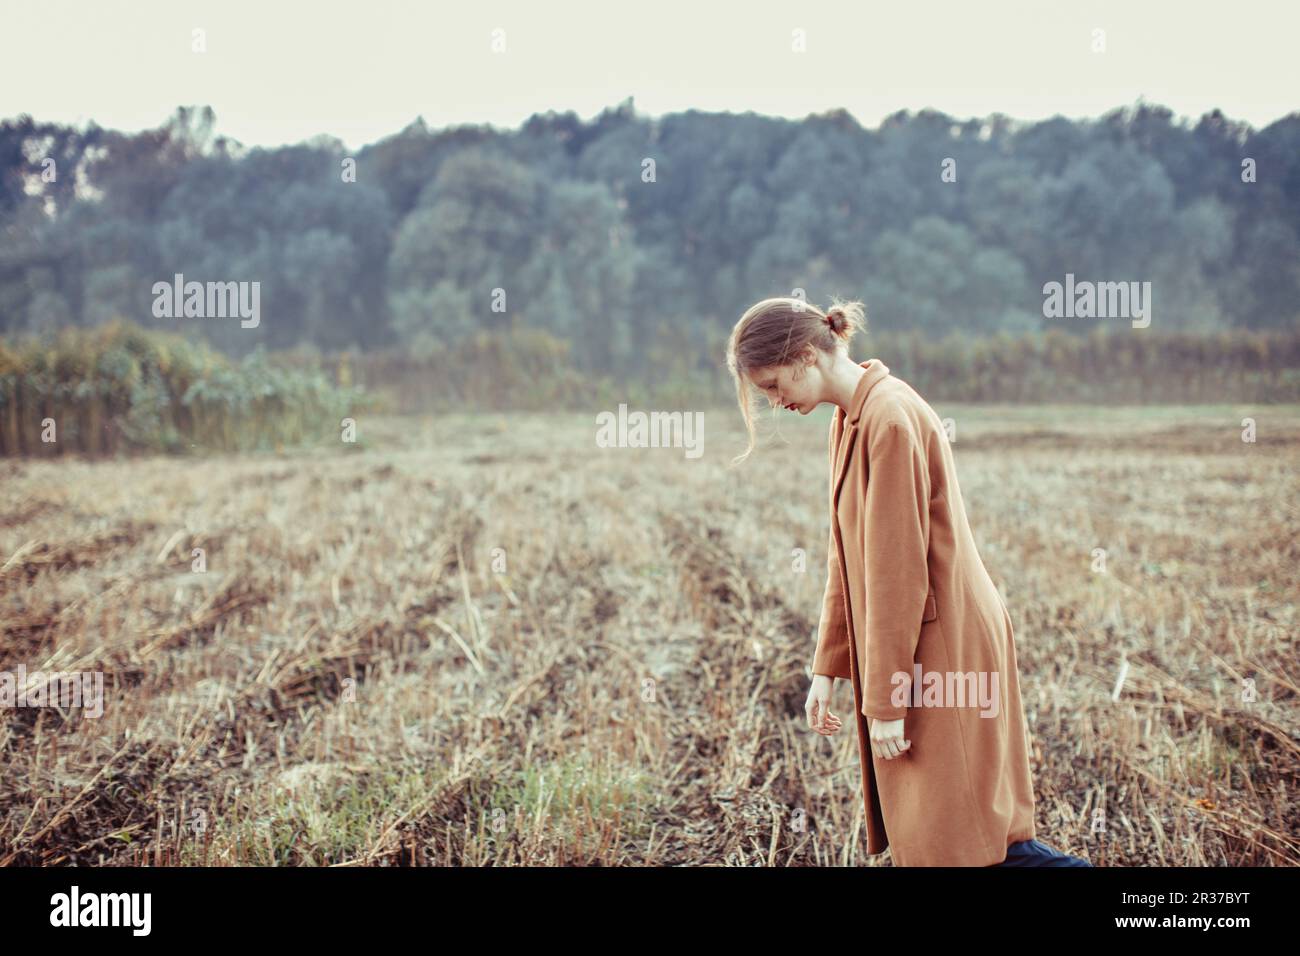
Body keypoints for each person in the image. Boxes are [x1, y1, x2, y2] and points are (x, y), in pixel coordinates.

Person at [725, 296, 1091, 868]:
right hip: (920, 647)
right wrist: (827, 669)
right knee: (954, 829)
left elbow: (897, 575)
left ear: (804, 356)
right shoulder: (850, 420)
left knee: (962, 836)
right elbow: (845, 557)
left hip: (944, 646)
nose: (775, 401)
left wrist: (888, 701)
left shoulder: (889, 420)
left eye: (773, 385)